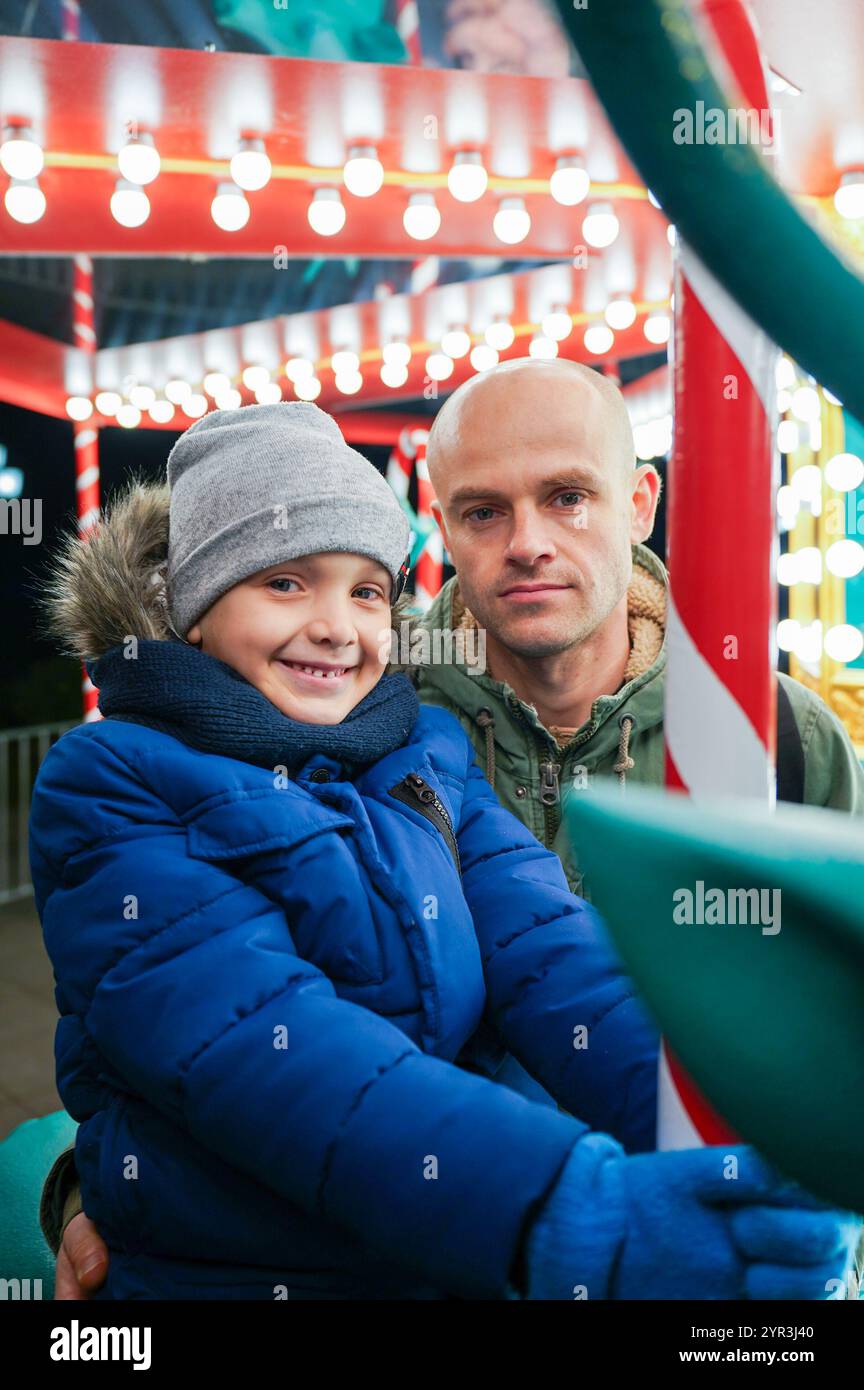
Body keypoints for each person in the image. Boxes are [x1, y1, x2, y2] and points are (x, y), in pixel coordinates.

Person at [29, 400, 859, 1300]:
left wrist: (738, 1132)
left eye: (365, 589)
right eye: (283, 583)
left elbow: (550, 953)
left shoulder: (416, 749)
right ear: (193, 609)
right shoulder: (117, 777)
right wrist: (580, 1215)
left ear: (638, 501)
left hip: (460, 1238)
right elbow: (258, 1050)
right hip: (262, 1262)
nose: (338, 625)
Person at [413, 358, 864, 898]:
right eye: (484, 512)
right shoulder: (375, 720)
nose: (527, 545)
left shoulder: (784, 735)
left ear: (638, 507)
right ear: (445, 531)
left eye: (568, 498)